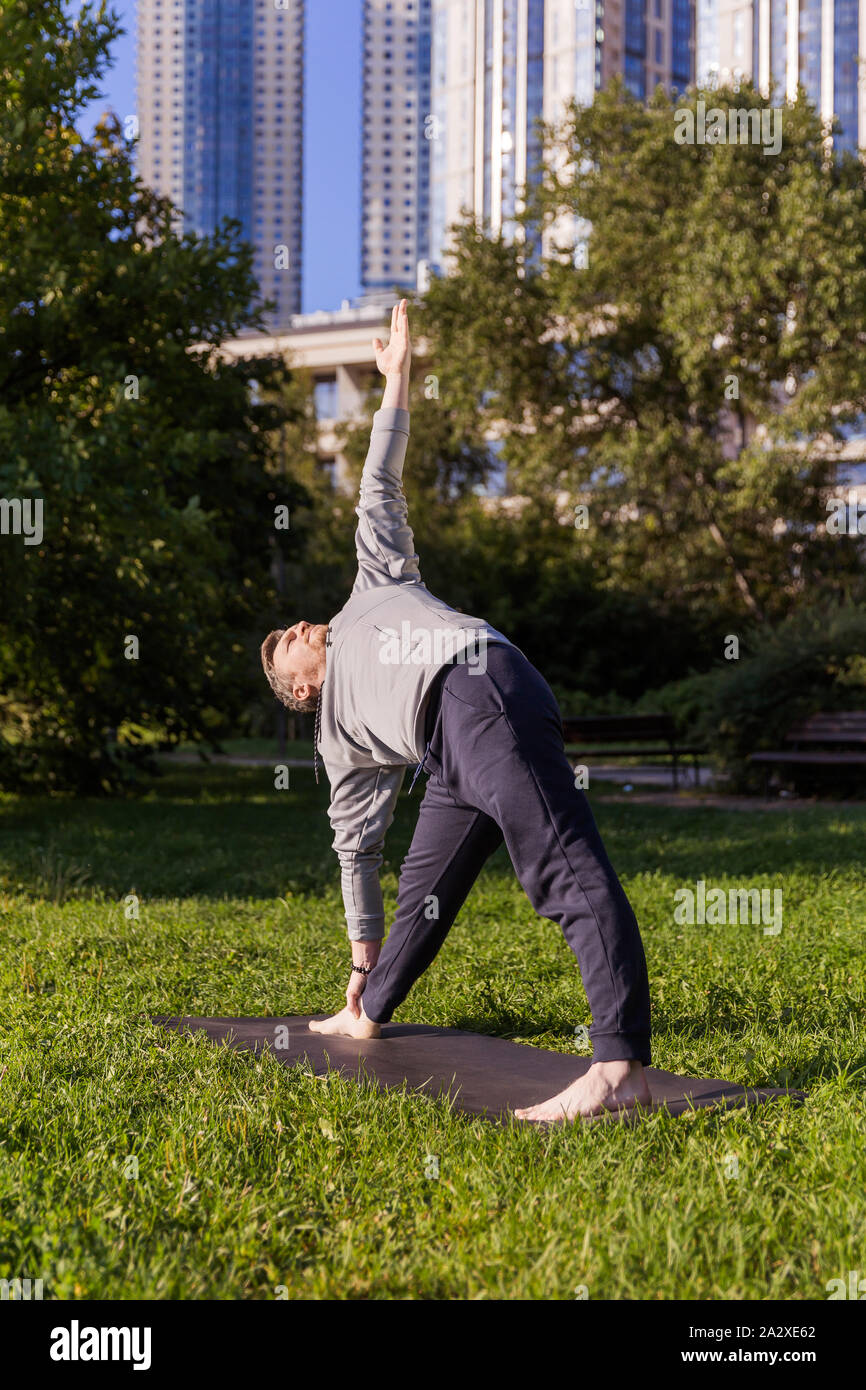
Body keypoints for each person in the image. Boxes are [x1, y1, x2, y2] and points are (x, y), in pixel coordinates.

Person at [260, 300, 652, 1122]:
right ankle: (367, 1014)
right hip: (444, 752)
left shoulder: (373, 584)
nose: (294, 629)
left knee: (559, 866)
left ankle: (620, 1067)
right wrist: (358, 957)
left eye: (292, 627)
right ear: (300, 690)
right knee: (421, 897)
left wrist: (397, 379)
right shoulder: (340, 744)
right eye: (283, 645)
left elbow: (378, 483)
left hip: (479, 687)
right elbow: (354, 848)